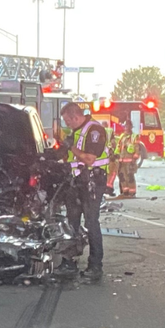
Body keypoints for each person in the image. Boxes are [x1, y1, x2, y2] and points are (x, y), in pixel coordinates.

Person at [54, 102, 108, 282]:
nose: (66, 124)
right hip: (76, 182)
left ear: (75, 116)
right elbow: (64, 156)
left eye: (67, 121)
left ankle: (95, 265)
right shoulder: (76, 132)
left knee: (91, 222)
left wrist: (70, 147)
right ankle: (69, 262)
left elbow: (89, 159)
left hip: (93, 181)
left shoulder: (95, 131)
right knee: (72, 222)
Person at [116, 124, 139, 197]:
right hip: (122, 160)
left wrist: (135, 157)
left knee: (130, 176)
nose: (126, 128)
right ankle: (125, 192)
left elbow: (137, 147)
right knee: (122, 176)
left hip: (130, 160)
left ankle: (132, 192)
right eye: (125, 127)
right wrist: (116, 156)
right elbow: (119, 146)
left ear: (131, 127)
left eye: (128, 126)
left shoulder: (134, 136)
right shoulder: (122, 136)